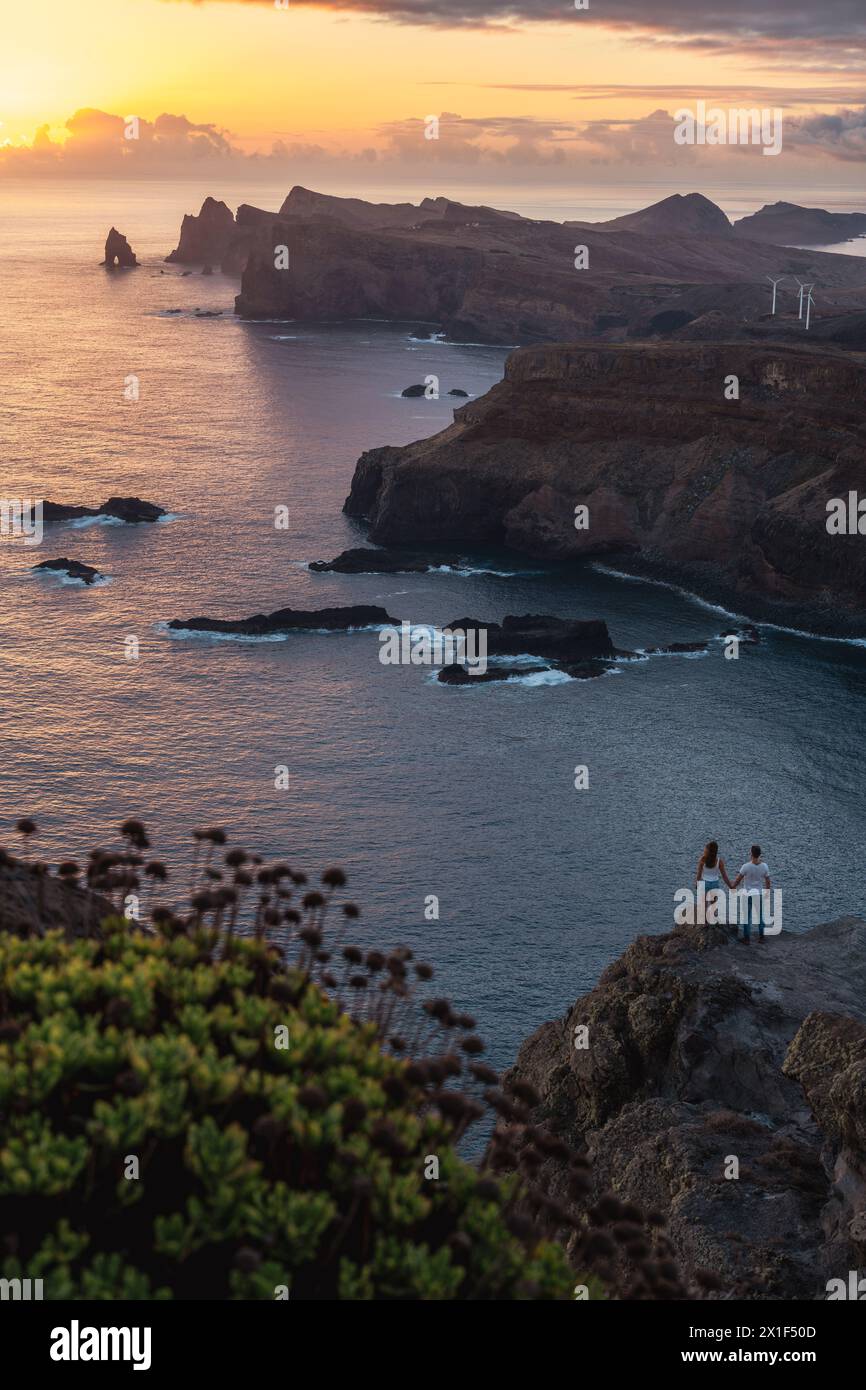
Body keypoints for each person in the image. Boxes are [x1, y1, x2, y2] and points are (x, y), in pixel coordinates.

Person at [731, 846, 771, 944]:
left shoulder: (746, 866)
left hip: (747, 894)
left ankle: (747, 939)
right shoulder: (764, 866)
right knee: (760, 916)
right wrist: (767, 892)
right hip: (759, 894)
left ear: (751, 854)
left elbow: (738, 879)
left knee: (746, 917)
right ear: (760, 854)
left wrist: (732, 887)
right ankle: (761, 938)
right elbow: (768, 881)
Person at [695, 840, 732, 925]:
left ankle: (705, 923)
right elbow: (724, 876)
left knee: (704, 905)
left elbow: (699, 875)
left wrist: (697, 884)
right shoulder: (719, 861)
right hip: (715, 884)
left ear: (707, 850)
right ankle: (713, 921)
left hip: (704, 883)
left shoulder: (702, 859)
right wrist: (731, 886)